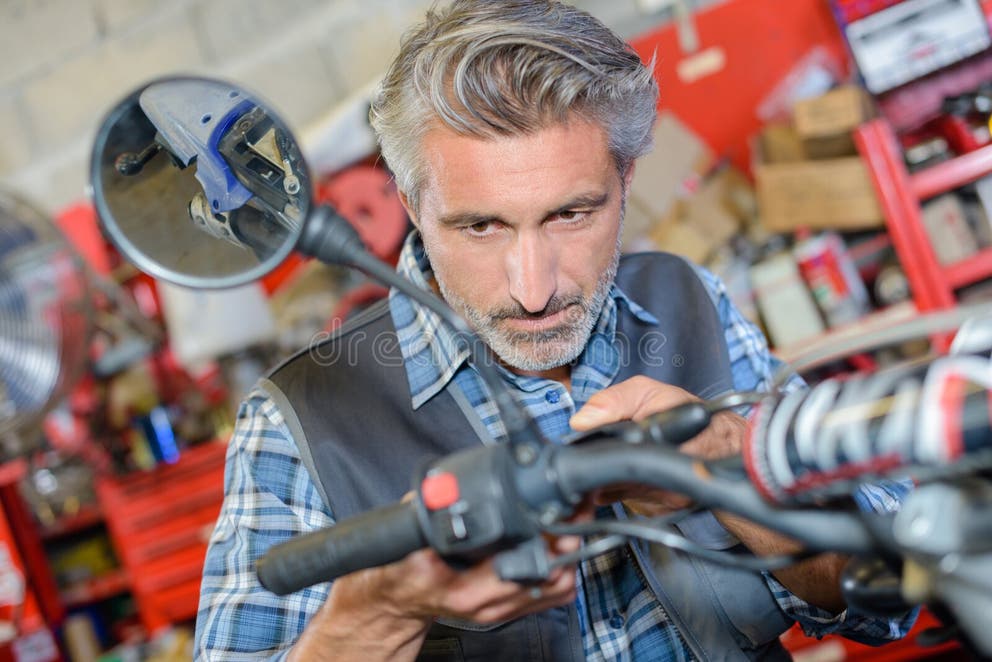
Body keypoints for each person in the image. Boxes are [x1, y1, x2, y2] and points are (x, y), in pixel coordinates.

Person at [194, 1, 916, 660]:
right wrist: (380, 612)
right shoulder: (301, 423)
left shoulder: (686, 301)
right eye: (481, 226)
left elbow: (891, 593)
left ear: (627, 180)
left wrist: (732, 472)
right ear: (412, 204)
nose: (533, 289)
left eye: (571, 215)